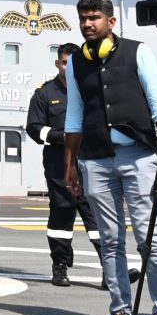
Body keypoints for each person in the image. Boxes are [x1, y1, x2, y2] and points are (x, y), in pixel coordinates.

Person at [63, 0, 157, 315]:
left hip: (139, 156)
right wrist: (70, 165)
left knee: (149, 239)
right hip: (95, 159)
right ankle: (121, 312)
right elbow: (74, 115)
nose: (87, 24)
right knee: (110, 241)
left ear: (111, 22)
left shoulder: (137, 51)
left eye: (94, 17)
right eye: (83, 18)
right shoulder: (76, 63)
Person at [26, 42, 104, 286]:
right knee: (61, 218)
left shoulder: (93, 91)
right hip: (59, 165)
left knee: (98, 219)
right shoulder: (44, 94)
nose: (68, 67)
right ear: (58, 63)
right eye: (64, 62)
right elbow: (33, 128)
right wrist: (60, 136)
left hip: (90, 164)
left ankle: (110, 269)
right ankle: (60, 265)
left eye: (73, 62)